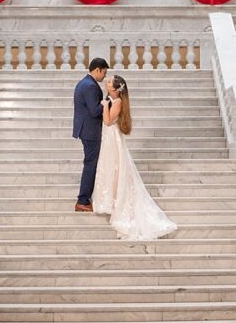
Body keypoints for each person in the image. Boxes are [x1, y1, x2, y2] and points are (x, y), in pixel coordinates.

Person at [93, 75, 178, 241]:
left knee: (116, 167)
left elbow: (108, 121)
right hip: (110, 138)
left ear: (115, 89)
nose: (106, 82)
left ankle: (116, 200)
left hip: (113, 138)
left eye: (109, 82)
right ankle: (110, 198)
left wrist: (104, 105)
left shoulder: (116, 103)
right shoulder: (114, 100)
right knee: (110, 167)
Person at [72, 58, 110, 211]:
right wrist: (107, 101)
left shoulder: (84, 83)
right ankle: (82, 200)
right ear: (97, 70)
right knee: (90, 164)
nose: (104, 76)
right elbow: (94, 110)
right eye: (104, 72)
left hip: (85, 129)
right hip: (89, 131)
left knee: (90, 163)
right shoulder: (90, 86)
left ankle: (85, 198)